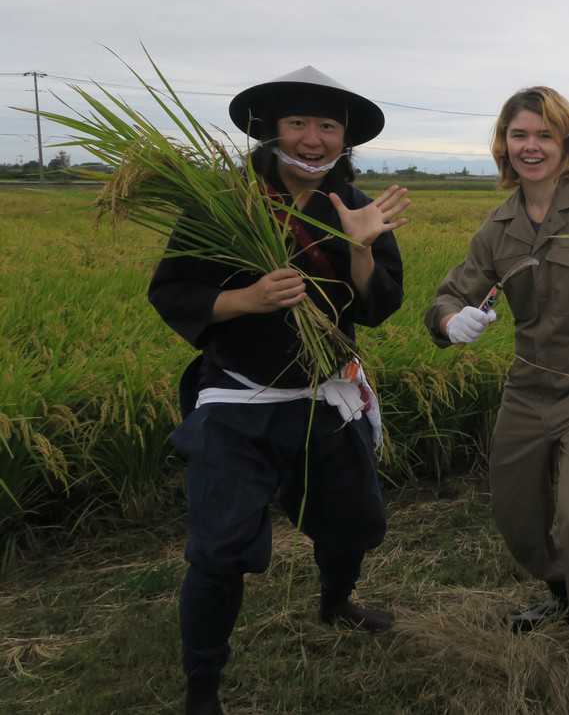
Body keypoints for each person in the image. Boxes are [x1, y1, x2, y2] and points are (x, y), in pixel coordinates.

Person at [150, 66, 409, 715]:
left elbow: (376, 306)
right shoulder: (225, 205)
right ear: (271, 130)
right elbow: (172, 290)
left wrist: (361, 250)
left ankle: (336, 601)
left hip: (325, 394)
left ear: (344, 138)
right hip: (239, 400)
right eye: (300, 122)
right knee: (219, 550)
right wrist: (248, 297)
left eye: (328, 125)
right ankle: (202, 689)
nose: (315, 138)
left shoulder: (353, 206)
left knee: (354, 523)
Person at [425, 86, 569, 715]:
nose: (531, 147)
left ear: (567, 144)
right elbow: (450, 293)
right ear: (504, 144)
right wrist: (450, 323)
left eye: (544, 136)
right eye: (520, 135)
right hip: (527, 388)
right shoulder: (498, 226)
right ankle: (559, 589)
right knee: (517, 517)